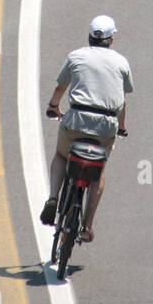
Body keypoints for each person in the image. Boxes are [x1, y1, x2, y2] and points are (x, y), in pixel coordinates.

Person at [41, 15, 133, 242]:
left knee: (62, 155)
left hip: (76, 120)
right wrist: (121, 127)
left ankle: (53, 197)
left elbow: (61, 87)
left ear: (90, 37)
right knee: (98, 172)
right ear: (112, 39)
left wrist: (54, 107)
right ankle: (88, 226)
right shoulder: (121, 62)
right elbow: (122, 101)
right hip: (105, 127)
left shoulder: (76, 56)